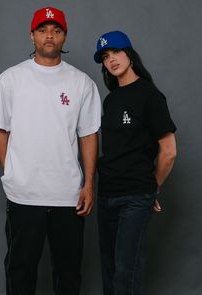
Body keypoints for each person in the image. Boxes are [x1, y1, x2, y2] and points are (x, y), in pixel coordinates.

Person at [0, 7, 101, 295]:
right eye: (42, 30)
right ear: (32, 35)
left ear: (64, 36)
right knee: (20, 270)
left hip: (68, 195)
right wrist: (12, 172)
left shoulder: (82, 83)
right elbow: (1, 131)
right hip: (23, 193)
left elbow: (88, 135)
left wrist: (89, 184)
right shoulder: (10, 79)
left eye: (56, 30)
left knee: (68, 273)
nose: (49, 35)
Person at [94, 31, 177, 295]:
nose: (111, 60)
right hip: (107, 194)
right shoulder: (111, 99)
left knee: (125, 273)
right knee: (108, 268)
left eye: (116, 52)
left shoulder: (150, 95)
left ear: (129, 54)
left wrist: (153, 187)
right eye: (105, 57)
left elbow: (168, 151)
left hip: (135, 195)